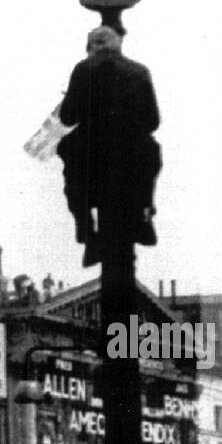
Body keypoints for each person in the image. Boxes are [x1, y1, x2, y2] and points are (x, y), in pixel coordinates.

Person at [56, 25, 161, 264]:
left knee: (71, 166)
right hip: (132, 152)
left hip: (92, 153)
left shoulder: (83, 70)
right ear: (118, 45)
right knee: (150, 158)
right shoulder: (140, 71)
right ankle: (144, 214)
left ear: (92, 47)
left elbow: (68, 117)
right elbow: (153, 120)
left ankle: (85, 227)